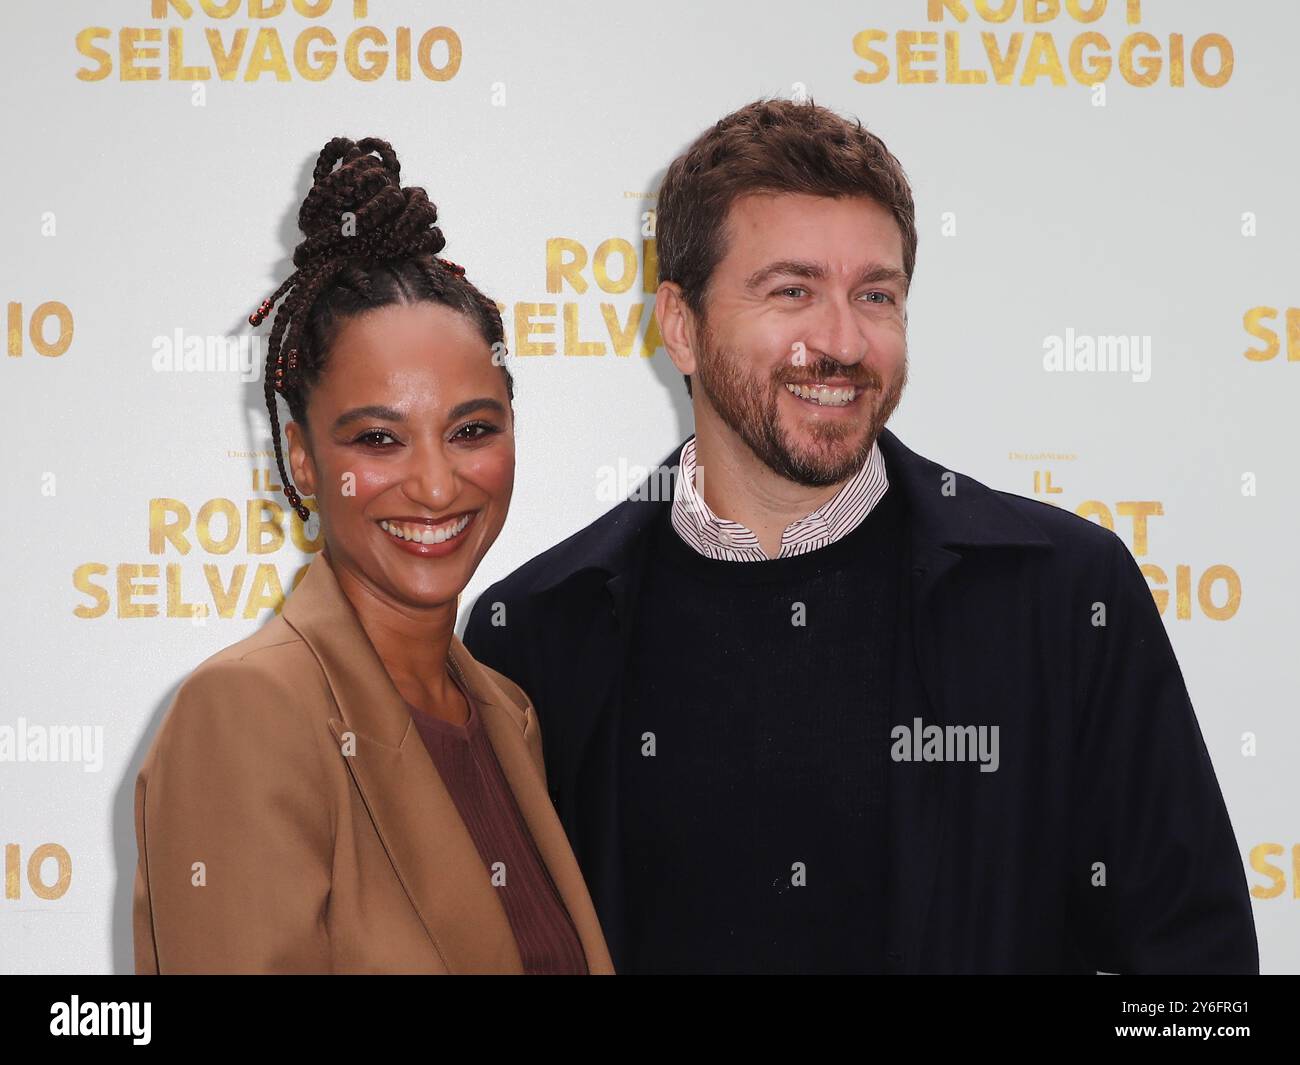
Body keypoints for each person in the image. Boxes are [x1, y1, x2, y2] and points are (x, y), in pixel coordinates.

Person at [463, 98, 1259, 974]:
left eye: (874, 294)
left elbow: (1202, 980)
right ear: (681, 325)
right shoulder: (538, 631)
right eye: (792, 290)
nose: (841, 340)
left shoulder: (1067, 597)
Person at [132, 136, 613, 975]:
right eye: (379, 438)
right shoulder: (249, 712)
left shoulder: (508, 714)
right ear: (303, 455)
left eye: (471, 429)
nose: (435, 485)